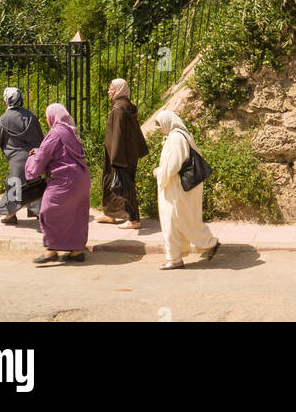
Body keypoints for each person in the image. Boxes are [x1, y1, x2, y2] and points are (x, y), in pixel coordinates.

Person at [24, 103, 91, 265]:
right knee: (76, 214)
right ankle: (76, 251)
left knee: (47, 211)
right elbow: (61, 153)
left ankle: (51, 250)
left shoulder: (55, 133)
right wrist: (40, 151)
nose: (47, 120)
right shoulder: (71, 131)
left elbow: (42, 157)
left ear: (52, 117)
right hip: (81, 179)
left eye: (47, 116)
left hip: (65, 181)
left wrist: (32, 160)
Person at [153, 110, 219, 271]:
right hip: (175, 188)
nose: (159, 129)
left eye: (159, 125)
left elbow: (174, 164)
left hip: (176, 188)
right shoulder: (176, 136)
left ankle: (179, 256)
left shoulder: (176, 138)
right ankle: (179, 255)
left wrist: (159, 172)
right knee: (180, 221)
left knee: (174, 221)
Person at [0, 87, 46, 227]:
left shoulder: (4, 119)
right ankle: (40, 214)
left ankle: (10, 215)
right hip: (32, 158)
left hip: (16, 161)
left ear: (7, 100)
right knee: (34, 184)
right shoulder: (31, 116)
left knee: (14, 185)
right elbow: (40, 140)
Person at [98, 78, 149, 230]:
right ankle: (110, 214)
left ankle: (134, 220)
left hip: (119, 156)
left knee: (125, 186)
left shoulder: (119, 110)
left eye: (112, 89)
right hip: (123, 153)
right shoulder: (125, 106)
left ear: (119, 90)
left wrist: (117, 160)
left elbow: (119, 135)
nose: (109, 91)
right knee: (111, 183)